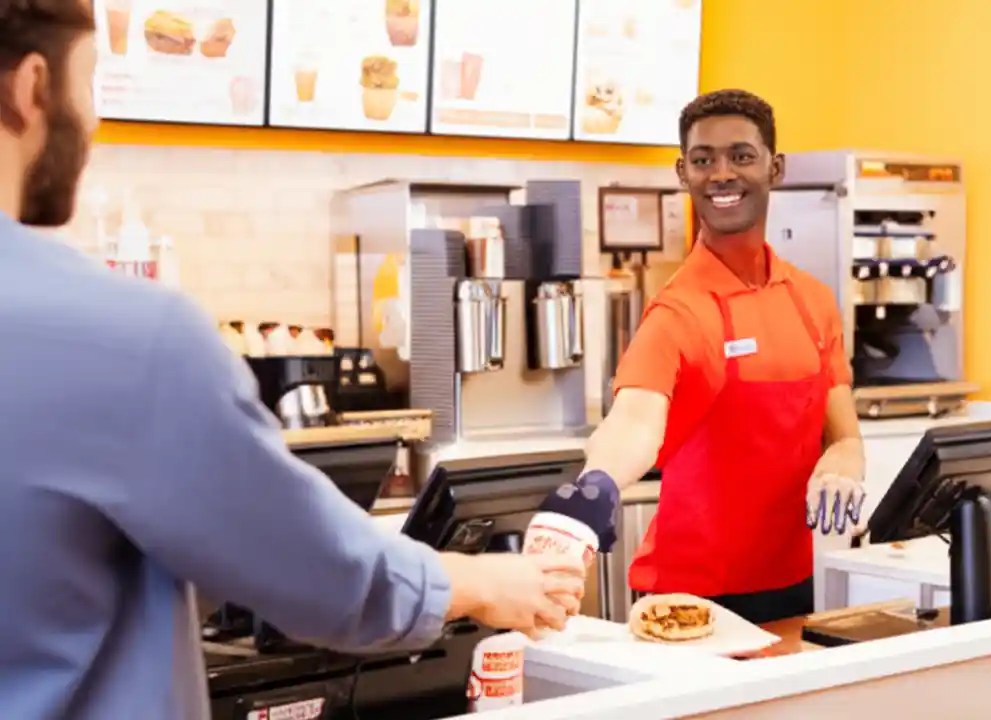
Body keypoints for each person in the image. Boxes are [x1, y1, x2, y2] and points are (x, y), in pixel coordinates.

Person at [0, 5, 583, 718]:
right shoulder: (128, 339)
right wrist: (483, 581)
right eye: (89, 81)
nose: (91, 119)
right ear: (32, 86)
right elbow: (321, 578)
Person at [538, 89, 866, 624]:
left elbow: (844, 432)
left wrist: (842, 465)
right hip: (689, 596)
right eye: (702, 160)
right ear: (682, 173)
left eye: (741, 156)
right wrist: (598, 482)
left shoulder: (811, 300)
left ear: (774, 167)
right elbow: (635, 420)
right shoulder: (680, 310)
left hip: (794, 584)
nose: (720, 174)